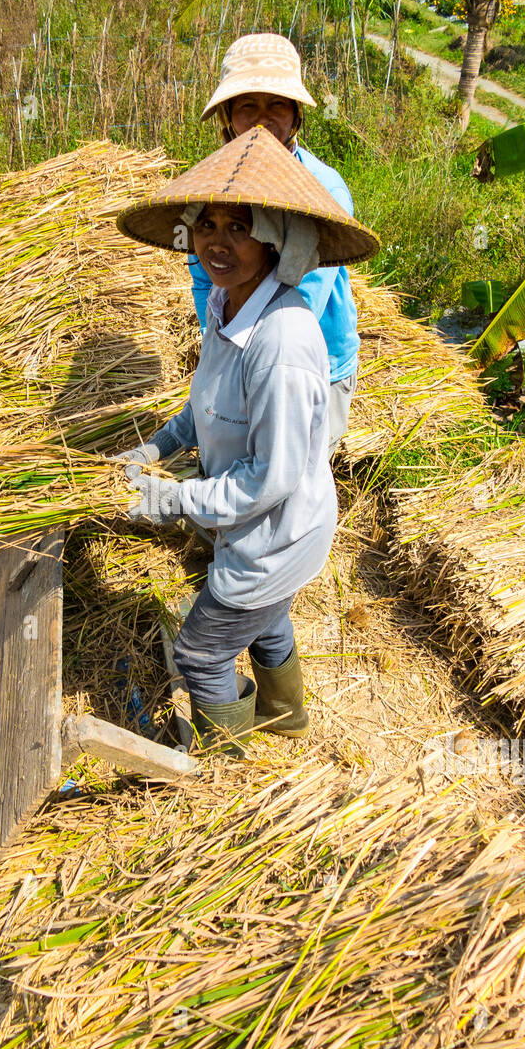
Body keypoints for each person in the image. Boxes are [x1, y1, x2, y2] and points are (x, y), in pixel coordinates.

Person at [113, 126, 379, 752]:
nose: (218, 243)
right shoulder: (227, 303)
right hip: (262, 530)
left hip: (277, 534)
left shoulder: (282, 342)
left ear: (276, 238)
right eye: (207, 226)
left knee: (200, 653)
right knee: (267, 619)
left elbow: (269, 479)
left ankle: (231, 768)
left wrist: (168, 501)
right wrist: (155, 447)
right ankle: (285, 719)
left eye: (240, 227)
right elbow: (202, 403)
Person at [191, 32, 359, 460]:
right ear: (227, 117)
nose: (262, 118)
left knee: (294, 476)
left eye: (277, 105)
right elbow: (202, 278)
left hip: (309, 364)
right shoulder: (209, 189)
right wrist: (221, 354)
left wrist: (246, 364)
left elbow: (304, 298)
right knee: (237, 475)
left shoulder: (324, 191)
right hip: (241, 358)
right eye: (248, 105)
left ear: (297, 116)